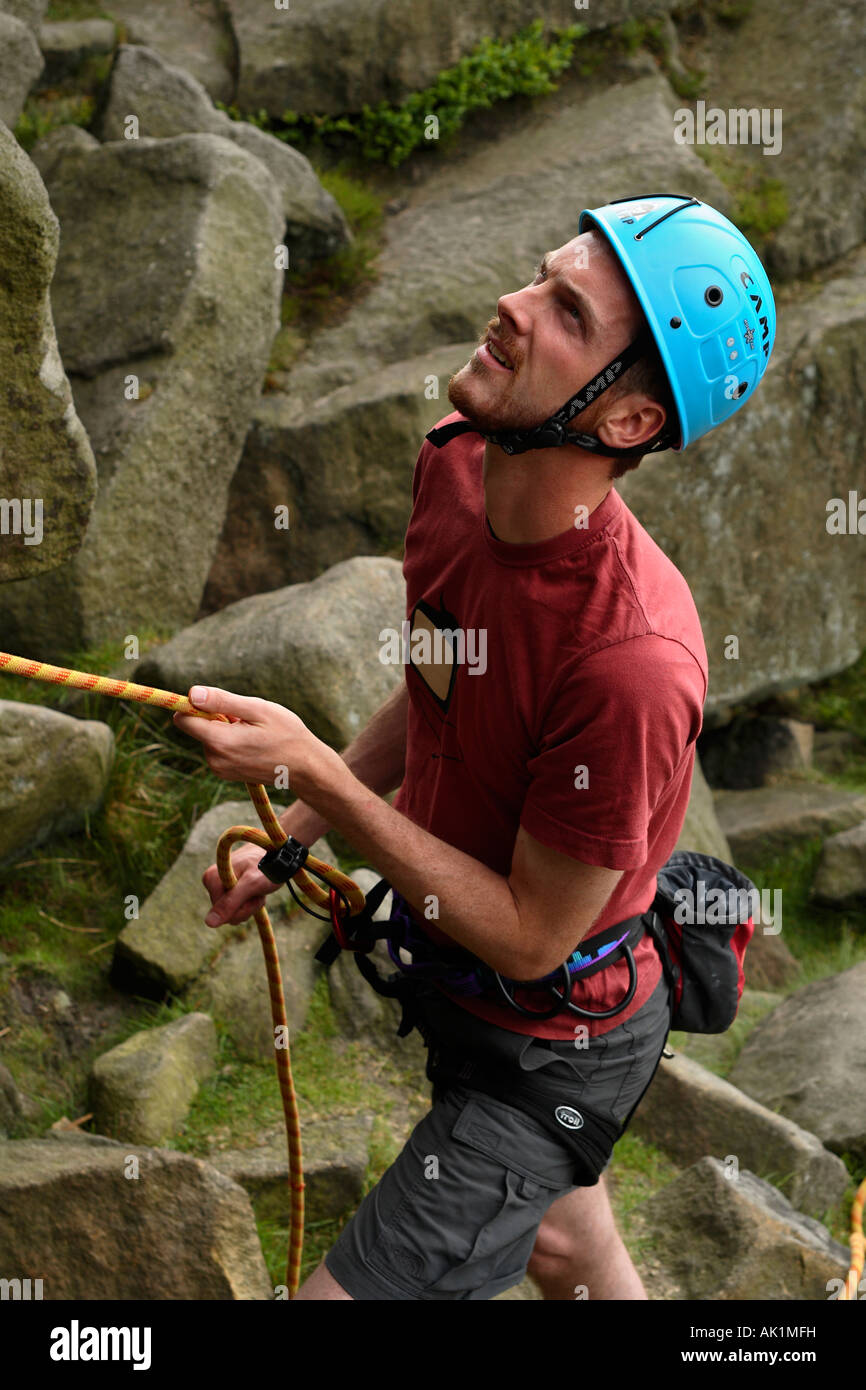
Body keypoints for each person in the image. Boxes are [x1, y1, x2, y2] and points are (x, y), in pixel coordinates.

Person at [176, 194, 776, 1301]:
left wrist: (309, 770)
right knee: (569, 1246)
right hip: (464, 986)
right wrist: (298, 836)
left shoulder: (629, 664)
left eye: (562, 312)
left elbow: (531, 939)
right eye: (535, 277)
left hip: (551, 1037)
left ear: (629, 420)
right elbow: (442, 690)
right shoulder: (456, 468)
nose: (508, 306)